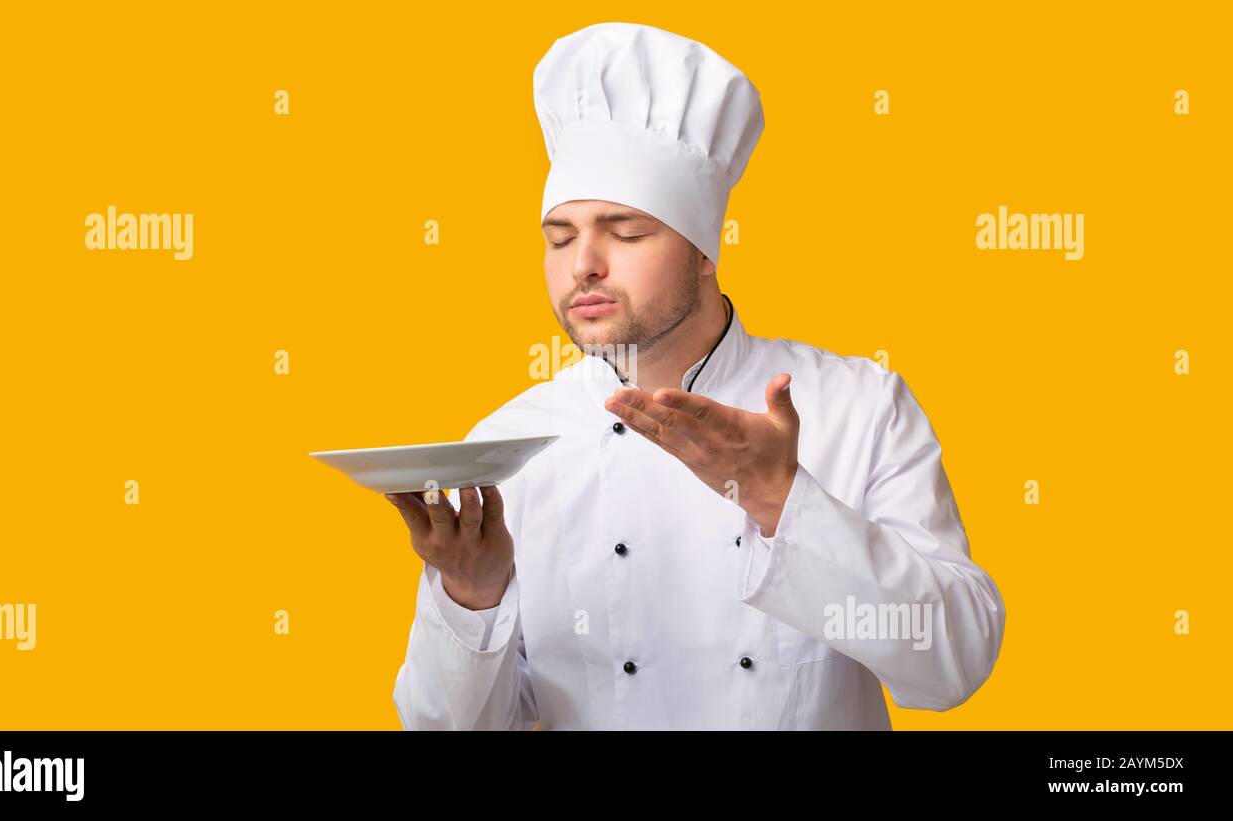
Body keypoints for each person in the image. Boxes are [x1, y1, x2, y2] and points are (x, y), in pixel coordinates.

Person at [386, 21, 1005, 730]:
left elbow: (955, 661)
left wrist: (784, 501)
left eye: (624, 232)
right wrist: (471, 594)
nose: (583, 262)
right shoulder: (509, 446)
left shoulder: (858, 405)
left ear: (706, 249)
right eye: (559, 237)